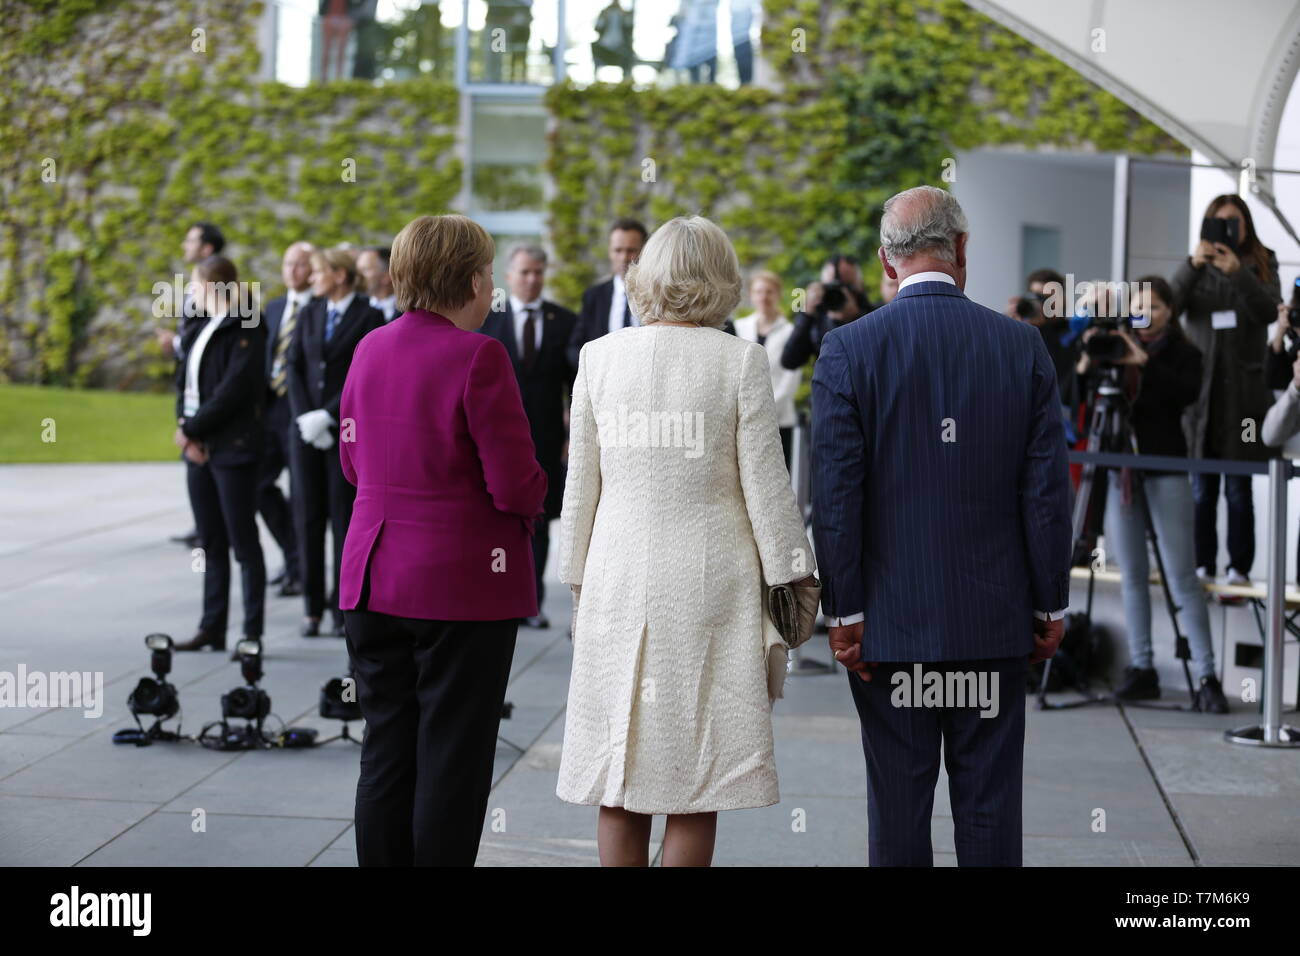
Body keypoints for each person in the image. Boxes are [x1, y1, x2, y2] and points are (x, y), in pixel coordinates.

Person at [811, 186, 1072, 866]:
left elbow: (836, 499)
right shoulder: (1022, 348)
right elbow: (1045, 496)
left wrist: (844, 611)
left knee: (897, 812)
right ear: (960, 249)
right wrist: (1050, 604)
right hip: (992, 624)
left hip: (890, 633)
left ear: (886, 262)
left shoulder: (847, 350)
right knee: (990, 812)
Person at [556, 216, 815, 867]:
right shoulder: (739, 361)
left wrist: (578, 581)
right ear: (721, 280)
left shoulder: (598, 357)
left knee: (621, 772)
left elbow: (580, 490)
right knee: (696, 781)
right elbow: (768, 491)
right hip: (711, 590)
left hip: (617, 583)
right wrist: (795, 583)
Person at [339, 214, 546, 866]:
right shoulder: (480, 356)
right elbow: (515, 485)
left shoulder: (370, 347)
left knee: (386, 752)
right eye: (487, 274)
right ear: (476, 279)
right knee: (453, 760)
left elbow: (352, 462)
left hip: (372, 577)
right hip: (458, 591)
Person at [1076, 277, 1228, 712]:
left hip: (1165, 468)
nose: (1144, 317)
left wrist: (1142, 361)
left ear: (1169, 312)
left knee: (1182, 575)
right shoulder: (1112, 346)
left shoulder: (1184, 354)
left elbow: (1184, 398)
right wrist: (1089, 362)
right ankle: (1142, 668)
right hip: (1121, 473)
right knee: (1132, 575)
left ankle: (1206, 676)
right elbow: (1076, 401)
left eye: (1154, 309)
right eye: (1138, 308)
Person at [1172, 194, 1281, 589]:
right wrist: (1191, 265)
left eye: (1234, 222)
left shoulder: (1262, 261)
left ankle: (1239, 568)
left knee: (1239, 485)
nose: (1227, 230)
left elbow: (1269, 312)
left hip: (1247, 398)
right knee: (1202, 485)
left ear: (1246, 225)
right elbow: (1169, 306)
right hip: (1202, 393)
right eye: (1219, 222)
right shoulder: (1196, 265)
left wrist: (1240, 273)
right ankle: (1202, 564)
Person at [172, 255, 268, 658]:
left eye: (194, 284)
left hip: (232, 448)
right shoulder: (200, 323)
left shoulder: (247, 322)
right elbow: (185, 381)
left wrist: (192, 429)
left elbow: (235, 389)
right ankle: (212, 627)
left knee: (242, 542)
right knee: (211, 541)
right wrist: (185, 424)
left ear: (212, 285)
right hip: (200, 449)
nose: (190, 292)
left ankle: (250, 634)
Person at [479, 243, 578, 630]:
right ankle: (499, 593)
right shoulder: (490, 320)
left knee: (537, 520)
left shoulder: (563, 321)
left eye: (538, 272)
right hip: (497, 438)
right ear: (509, 276)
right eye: (525, 272)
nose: (533, 279)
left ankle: (529, 600)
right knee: (498, 518)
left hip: (547, 438)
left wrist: (572, 435)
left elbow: (575, 387)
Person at [287, 247, 384, 638]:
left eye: (319, 272)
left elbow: (363, 374)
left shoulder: (370, 315)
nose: (312, 279)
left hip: (346, 432)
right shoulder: (310, 311)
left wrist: (329, 415)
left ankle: (341, 606)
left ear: (340, 275)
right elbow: (293, 364)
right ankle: (311, 607)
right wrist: (305, 416)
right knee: (308, 519)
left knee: (344, 521)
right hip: (305, 432)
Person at [157, 221, 225, 550]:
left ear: (207, 248)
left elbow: (206, 344)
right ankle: (204, 523)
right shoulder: (195, 286)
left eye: (191, 240)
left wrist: (178, 343)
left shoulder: (218, 295)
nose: (185, 245)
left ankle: (210, 526)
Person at [258, 241, 315, 598]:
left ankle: (301, 570)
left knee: (302, 495)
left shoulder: (321, 309)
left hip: (303, 412)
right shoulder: (275, 308)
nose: (292, 271)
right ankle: (293, 555)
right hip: (271, 410)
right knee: (258, 485)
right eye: (287, 263)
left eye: (301, 264)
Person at [733, 270, 800, 465]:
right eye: (759, 291)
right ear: (752, 296)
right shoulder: (739, 327)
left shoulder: (790, 332)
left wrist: (764, 411)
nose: (764, 297)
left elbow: (790, 380)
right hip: (744, 421)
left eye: (769, 291)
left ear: (778, 295)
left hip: (780, 421)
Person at [566, 218, 646, 370]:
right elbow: (575, 348)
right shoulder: (593, 297)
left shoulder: (657, 295)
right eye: (618, 250)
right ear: (609, 252)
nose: (624, 258)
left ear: (644, 251)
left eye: (631, 250)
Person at [780, 253, 872, 371]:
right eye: (832, 286)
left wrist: (856, 318)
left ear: (860, 285)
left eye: (847, 286)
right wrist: (807, 313)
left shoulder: (874, 314)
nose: (840, 292)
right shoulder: (816, 318)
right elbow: (789, 361)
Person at [357, 246, 397, 321]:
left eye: (365, 269)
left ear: (387, 275)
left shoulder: (408, 309)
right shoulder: (355, 311)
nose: (359, 276)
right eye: (358, 270)